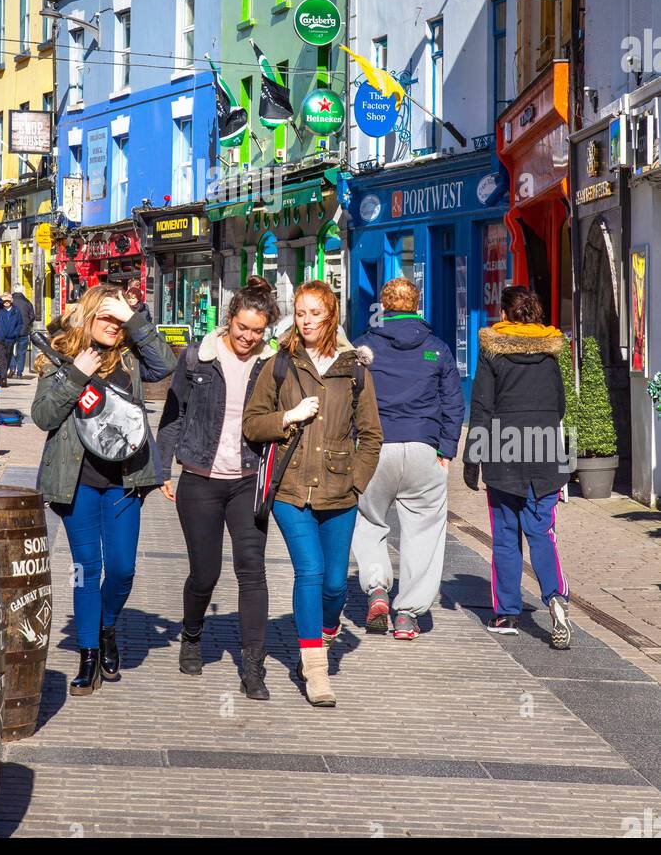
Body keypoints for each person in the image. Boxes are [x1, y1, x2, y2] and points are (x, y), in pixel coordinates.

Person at [243, 280, 383, 708]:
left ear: (331, 316)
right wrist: (287, 417)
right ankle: (316, 670)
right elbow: (253, 423)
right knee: (311, 571)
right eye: (300, 313)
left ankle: (326, 627)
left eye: (314, 314)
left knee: (336, 585)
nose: (305, 321)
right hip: (289, 488)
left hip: (340, 491)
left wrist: (356, 481)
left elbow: (372, 435)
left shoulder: (354, 367)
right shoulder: (280, 364)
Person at [31, 284, 176, 694]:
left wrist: (134, 319)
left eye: (119, 318)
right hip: (75, 482)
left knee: (122, 568)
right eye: (107, 317)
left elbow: (164, 365)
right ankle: (88, 653)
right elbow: (43, 416)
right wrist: (77, 372)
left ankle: (107, 624)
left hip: (125, 480)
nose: (114, 325)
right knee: (84, 570)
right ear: (89, 316)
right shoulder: (59, 356)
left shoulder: (131, 356)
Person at [157, 281, 279, 700]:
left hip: (248, 479)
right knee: (205, 573)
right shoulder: (197, 358)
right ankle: (191, 635)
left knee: (252, 569)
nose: (248, 338)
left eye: (257, 331)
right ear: (229, 320)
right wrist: (163, 468)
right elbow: (174, 413)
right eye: (243, 328)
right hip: (200, 478)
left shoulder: (272, 364)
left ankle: (253, 667)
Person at [350, 278, 465, 641]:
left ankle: (377, 586)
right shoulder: (437, 348)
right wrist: (446, 449)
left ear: (382, 307)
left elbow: (346, 399)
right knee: (424, 532)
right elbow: (453, 404)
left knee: (368, 520)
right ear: (417, 305)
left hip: (374, 449)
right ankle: (408, 614)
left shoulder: (363, 346)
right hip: (423, 448)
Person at [465, 285, 571, 649]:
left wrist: (471, 458)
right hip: (545, 453)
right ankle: (555, 595)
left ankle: (507, 613)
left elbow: (481, 407)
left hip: (503, 453)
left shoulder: (493, 352)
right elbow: (560, 408)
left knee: (506, 536)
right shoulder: (551, 353)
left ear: (505, 313)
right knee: (542, 532)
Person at [0, 293, 24, 387]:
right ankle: (3, 378)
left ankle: (3, 376)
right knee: (1, 358)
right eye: (4, 301)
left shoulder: (16, 311)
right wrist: (1, 299)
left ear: (11, 301)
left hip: (11, 339)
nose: (6, 302)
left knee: (8, 358)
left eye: (8, 300)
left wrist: (15, 333)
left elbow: (20, 324)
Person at [11, 283, 35, 378]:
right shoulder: (27, 302)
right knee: (22, 352)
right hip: (24, 331)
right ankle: (19, 373)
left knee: (8, 349)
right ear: (22, 291)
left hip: (11, 330)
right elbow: (32, 316)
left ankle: (12, 366)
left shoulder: (10, 301)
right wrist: (27, 324)